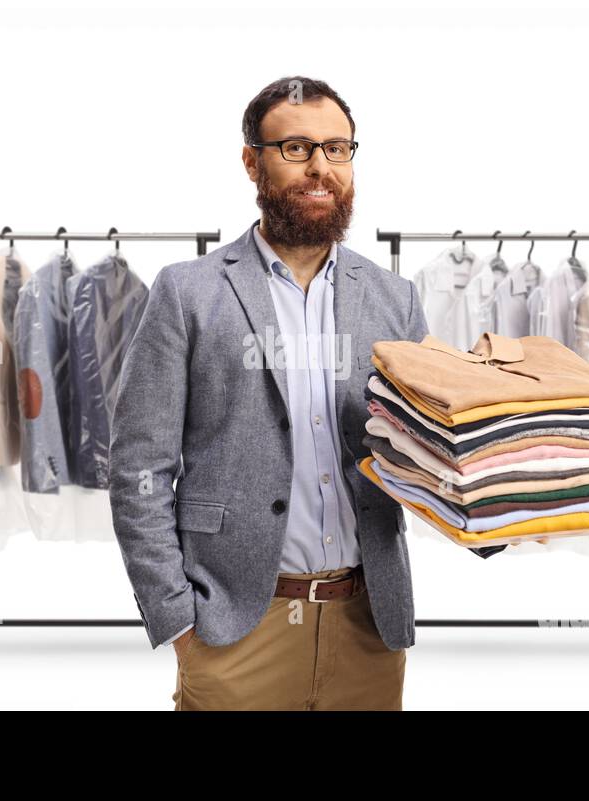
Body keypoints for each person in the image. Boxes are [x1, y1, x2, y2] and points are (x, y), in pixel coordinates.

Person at [108, 75, 429, 710]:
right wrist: (176, 618)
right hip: (233, 630)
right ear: (252, 161)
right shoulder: (188, 292)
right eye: (297, 148)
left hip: (369, 627)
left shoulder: (396, 300)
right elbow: (139, 465)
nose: (320, 167)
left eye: (338, 149)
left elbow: (426, 453)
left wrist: (502, 490)